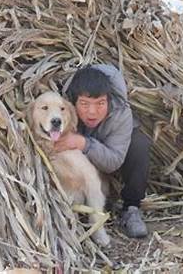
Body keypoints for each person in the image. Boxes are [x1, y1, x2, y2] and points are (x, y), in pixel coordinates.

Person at [54, 64, 152, 238]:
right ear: (73, 101)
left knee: (139, 144)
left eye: (100, 104)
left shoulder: (121, 113)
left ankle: (131, 208)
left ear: (108, 100)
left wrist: (83, 143)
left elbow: (113, 161)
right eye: (84, 104)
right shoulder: (62, 110)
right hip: (81, 169)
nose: (92, 112)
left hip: (110, 157)